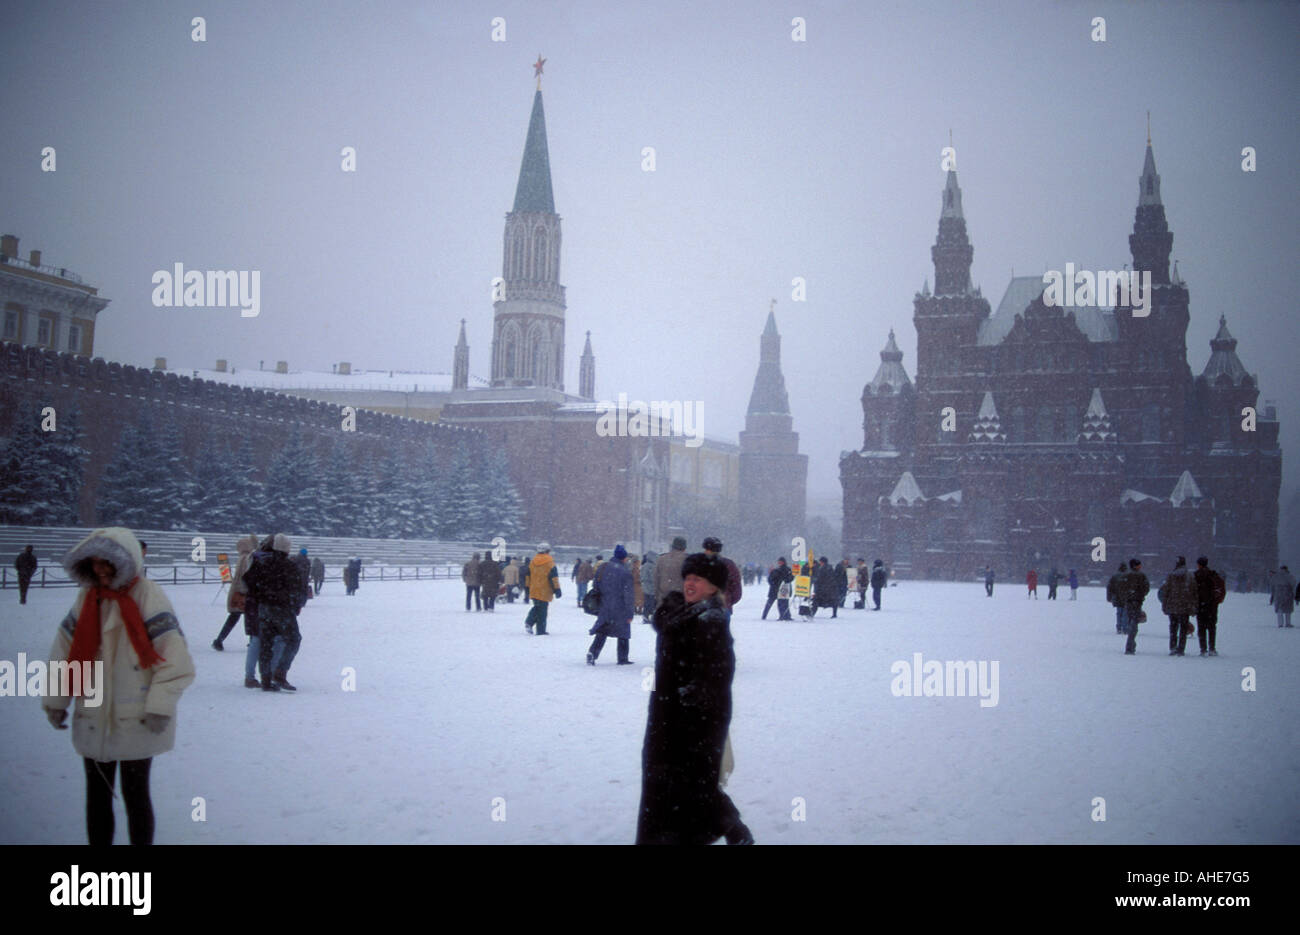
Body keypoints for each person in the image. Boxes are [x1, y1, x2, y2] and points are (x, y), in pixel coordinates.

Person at [42, 527, 195, 845]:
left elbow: (175, 659)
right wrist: (56, 700)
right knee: (96, 797)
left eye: (106, 563)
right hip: (94, 716)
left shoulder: (147, 595)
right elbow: (64, 651)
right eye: (94, 563)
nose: (99, 570)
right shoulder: (87, 598)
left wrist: (160, 705)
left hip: (137, 717)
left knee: (136, 796)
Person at [637, 552, 752, 845]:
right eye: (688, 578)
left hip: (692, 725)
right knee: (678, 788)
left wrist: (694, 698)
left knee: (686, 789)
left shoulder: (711, 621)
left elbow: (720, 674)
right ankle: (732, 829)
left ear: (713, 586)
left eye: (697, 579)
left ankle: (730, 829)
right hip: (666, 720)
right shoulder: (680, 613)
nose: (689, 584)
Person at [243, 533, 307, 691]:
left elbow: (248, 580)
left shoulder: (262, 562)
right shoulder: (290, 566)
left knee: (266, 642)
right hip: (283, 609)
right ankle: (280, 672)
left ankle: (265, 679)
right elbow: (298, 589)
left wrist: (260, 595)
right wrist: (294, 603)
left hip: (264, 608)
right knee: (293, 639)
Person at [587, 545, 636, 665]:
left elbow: (596, 586)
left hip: (606, 605)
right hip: (621, 607)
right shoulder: (625, 573)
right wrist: (630, 613)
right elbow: (628, 595)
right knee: (623, 633)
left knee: (603, 630)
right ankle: (622, 658)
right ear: (623, 558)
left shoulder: (603, 567)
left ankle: (593, 652)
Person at [213, 534, 258, 651]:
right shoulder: (247, 558)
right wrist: (245, 590)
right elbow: (245, 576)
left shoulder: (241, 558)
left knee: (235, 617)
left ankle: (220, 639)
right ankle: (252, 642)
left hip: (236, 591)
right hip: (243, 592)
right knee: (251, 617)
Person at [1157, 556, 1197, 656]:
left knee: (1173, 628)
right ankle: (1181, 649)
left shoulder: (1171, 576)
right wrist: (1193, 606)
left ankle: (1173, 647)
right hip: (1185, 606)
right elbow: (1194, 592)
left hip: (1172, 605)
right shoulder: (1190, 576)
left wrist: (1165, 604)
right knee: (1183, 629)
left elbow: (1165, 591)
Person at [524, 542, 561, 635]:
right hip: (545, 590)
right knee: (542, 611)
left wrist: (527, 587)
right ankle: (537, 627)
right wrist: (557, 589)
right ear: (548, 551)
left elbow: (528, 575)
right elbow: (554, 578)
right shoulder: (550, 563)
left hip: (534, 588)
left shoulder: (532, 562)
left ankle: (531, 622)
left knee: (537, 606)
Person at [1193, 556, 1225, 656]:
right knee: (1212, 627)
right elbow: (1222, 589)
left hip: (1200, 605)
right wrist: (1217, 601)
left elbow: (1192, 590)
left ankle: (1203, 649)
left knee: (1201, 627)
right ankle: (1212, 648)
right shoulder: (1214, 575)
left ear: (1198, 564)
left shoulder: (1195, 576)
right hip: (1212, 606)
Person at [702, 538, 742, 607]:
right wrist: (729, 600)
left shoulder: (699, 563)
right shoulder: (729, 564)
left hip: (702, 606)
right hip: (723, 604)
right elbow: (736, 586)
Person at [1122, 558, 1150, 655]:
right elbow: (1146, 588)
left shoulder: (1126, 575)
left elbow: (1122, 588)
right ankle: (1130, 646)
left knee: (1131, 621)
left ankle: (1130, 645)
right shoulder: (1141, 576)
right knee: (1134, 624)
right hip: (1137, 601)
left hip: (1129, 601)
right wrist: (1141, 595)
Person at [654, 536, 688, 603]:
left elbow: (656, 579)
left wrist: (657, 596)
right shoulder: (687, 560)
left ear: (672, 546)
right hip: (681, 598)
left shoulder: (661, 559)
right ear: (684, 548)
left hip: (664, 597)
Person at [1106, 561, 1130, 634]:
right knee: (1125, 613)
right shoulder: (1129, 576)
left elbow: (1109, 587)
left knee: (1119, 613)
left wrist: (1109, 597)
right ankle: (1125, 628)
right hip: (1127, 597)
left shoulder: (1115, 576)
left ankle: (1119, 627)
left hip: (1117, 597)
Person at [639, 551, 657, 624]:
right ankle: (650, 616)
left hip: (645, 586)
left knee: (646, 602)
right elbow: (653, 577)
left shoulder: (644, 565)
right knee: (651, 603)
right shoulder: (651, 566)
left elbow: (641, 576)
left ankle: (645, 616)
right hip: (651, 587)